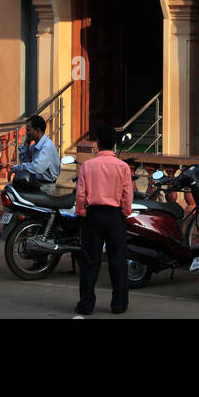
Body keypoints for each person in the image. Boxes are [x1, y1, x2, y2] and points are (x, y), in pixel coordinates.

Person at [74, 126, 133, 315]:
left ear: (98, 143)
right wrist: (125, 212)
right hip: (115, 215)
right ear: (114, 144)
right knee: (118, 260)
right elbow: (127, 195)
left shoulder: (87, 166)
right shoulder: (122, 167)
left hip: (94, 215)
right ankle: (119, 304)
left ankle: (86, 304)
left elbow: (81, 194)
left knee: (90, 261)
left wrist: (81, 210)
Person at [10, 114, 60, 194]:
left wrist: (17, 168)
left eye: (28, 130)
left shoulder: (47, 146)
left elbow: (38, 167)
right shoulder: (34, 146)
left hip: (46, 187)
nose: (26, 133)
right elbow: (24, 161)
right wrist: (26, 144)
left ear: (38, 130)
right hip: (36, 184)